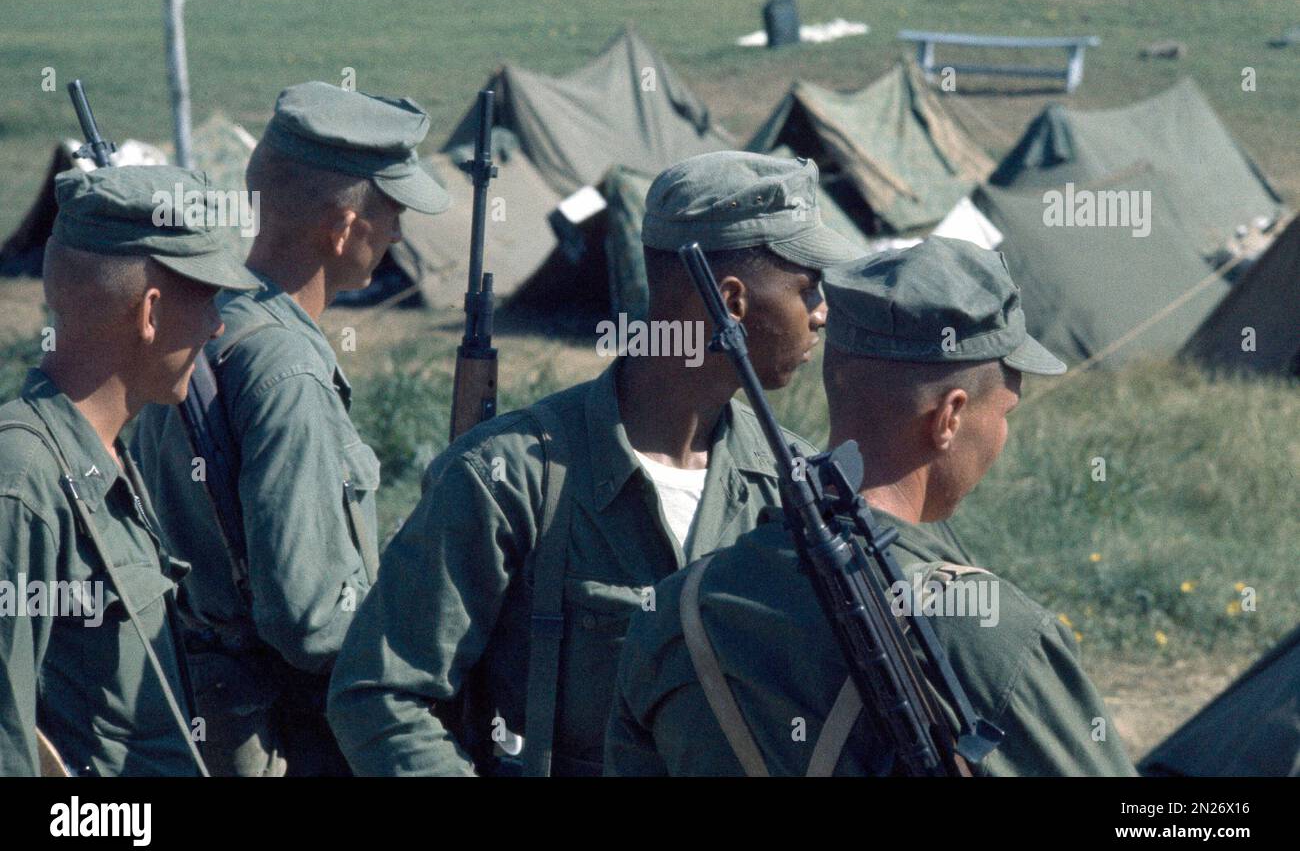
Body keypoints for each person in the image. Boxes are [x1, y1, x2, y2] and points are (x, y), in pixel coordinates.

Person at [327, 151, 864, 776]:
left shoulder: (795, 490)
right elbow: (382, 694)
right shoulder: (512, 481)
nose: (822, 312)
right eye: (807, 288)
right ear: (732, 303)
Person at [605, 237, 1139, 776]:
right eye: (1005, 412)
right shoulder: (992, 635)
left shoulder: (677, 614)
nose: (1002, 436)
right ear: (949, 418)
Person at [131, 81, 451, 776]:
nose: (397, 230)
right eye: (390, 210)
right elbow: (309, 619)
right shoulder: (289, 368)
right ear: (341, 227)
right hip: (273, 735)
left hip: (180, 706)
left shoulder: (203, 321)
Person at [0, 165, 261, 776]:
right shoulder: (24, 480)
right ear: (150, 313)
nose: (218, 323)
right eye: (207, 298)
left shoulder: (103, 453)